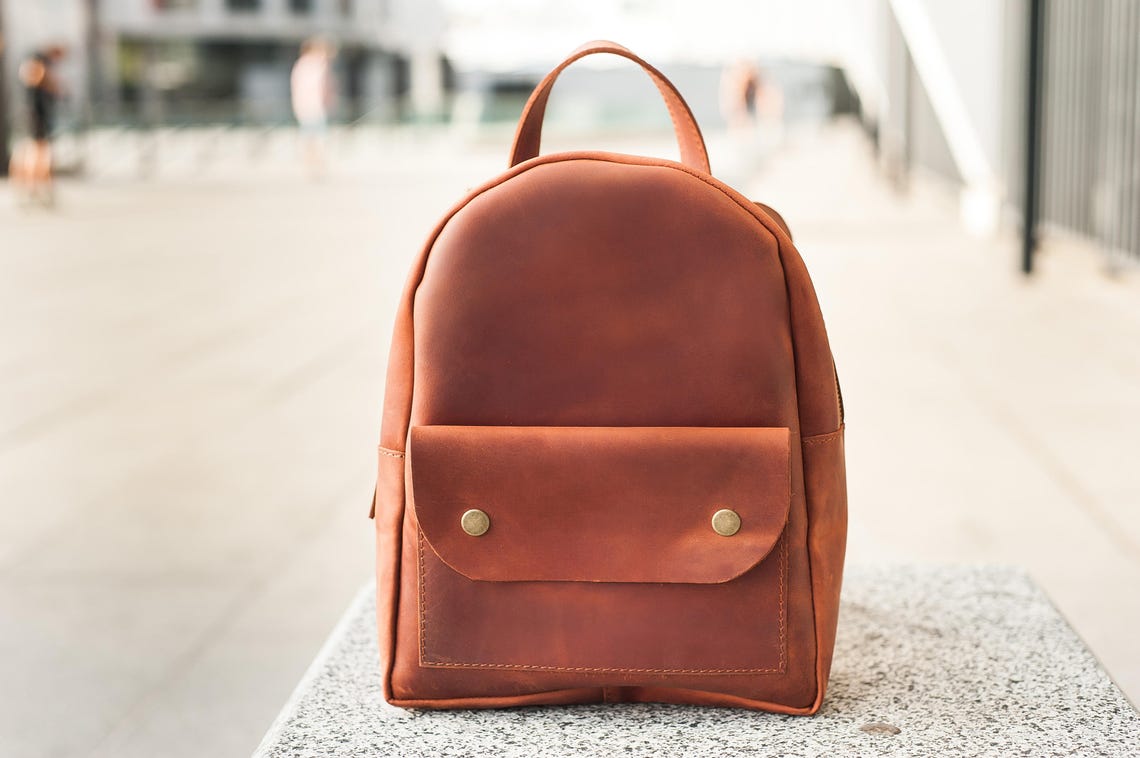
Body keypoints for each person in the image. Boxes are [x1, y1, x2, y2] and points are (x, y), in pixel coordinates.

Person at [10, 47, 65, 207]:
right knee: (37, 152)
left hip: (38, 115)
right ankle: (32, 186)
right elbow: (32, 75)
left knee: (38, 152)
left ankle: (38, 187)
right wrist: (51, 82)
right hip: (35, 116)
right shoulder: (37, 62)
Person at [290, 38, 335, 178]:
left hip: (303, 107)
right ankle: (318, 167)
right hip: (315, 107)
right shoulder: (318, 66)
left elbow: (295, 88)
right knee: (319, 138)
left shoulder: (300, 65)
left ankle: (310, 167)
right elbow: (324, 88)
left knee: (308, 138)